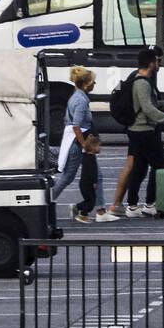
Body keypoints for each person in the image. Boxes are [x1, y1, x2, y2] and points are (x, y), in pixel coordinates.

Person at [110, 47, 164, 218]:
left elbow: (151, 103)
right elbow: (148, 108)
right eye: (157, 61)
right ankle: (149, 204)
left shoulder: (143, 80)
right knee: (159, 166)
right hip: (143, 131)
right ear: (151, 63)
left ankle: (133, 206)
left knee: (139, 169)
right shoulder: (141, 82)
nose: (159, 64)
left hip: (137, 131)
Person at [51, 68, 118, 222]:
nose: (95, 83)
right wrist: (84, 145)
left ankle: (100, 210)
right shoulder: (80, 100)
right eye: (92, 81)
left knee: (93, 176)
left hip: (76, 143)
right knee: (68, 177)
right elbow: (76, 126)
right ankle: (45, 201)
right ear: (86, 84)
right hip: (78, 145)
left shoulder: (76, 97)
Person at [73, 133, 112, 223]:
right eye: (99, 146)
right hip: (88, 184)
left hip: (84, 183)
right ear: (93, 147)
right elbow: (92, 172)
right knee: (91, 202)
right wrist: (94, 182)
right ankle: (83, 215)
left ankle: (77, 207)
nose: (100, 148)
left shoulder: (87, 156)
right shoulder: (90, 159)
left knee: (88, 200)